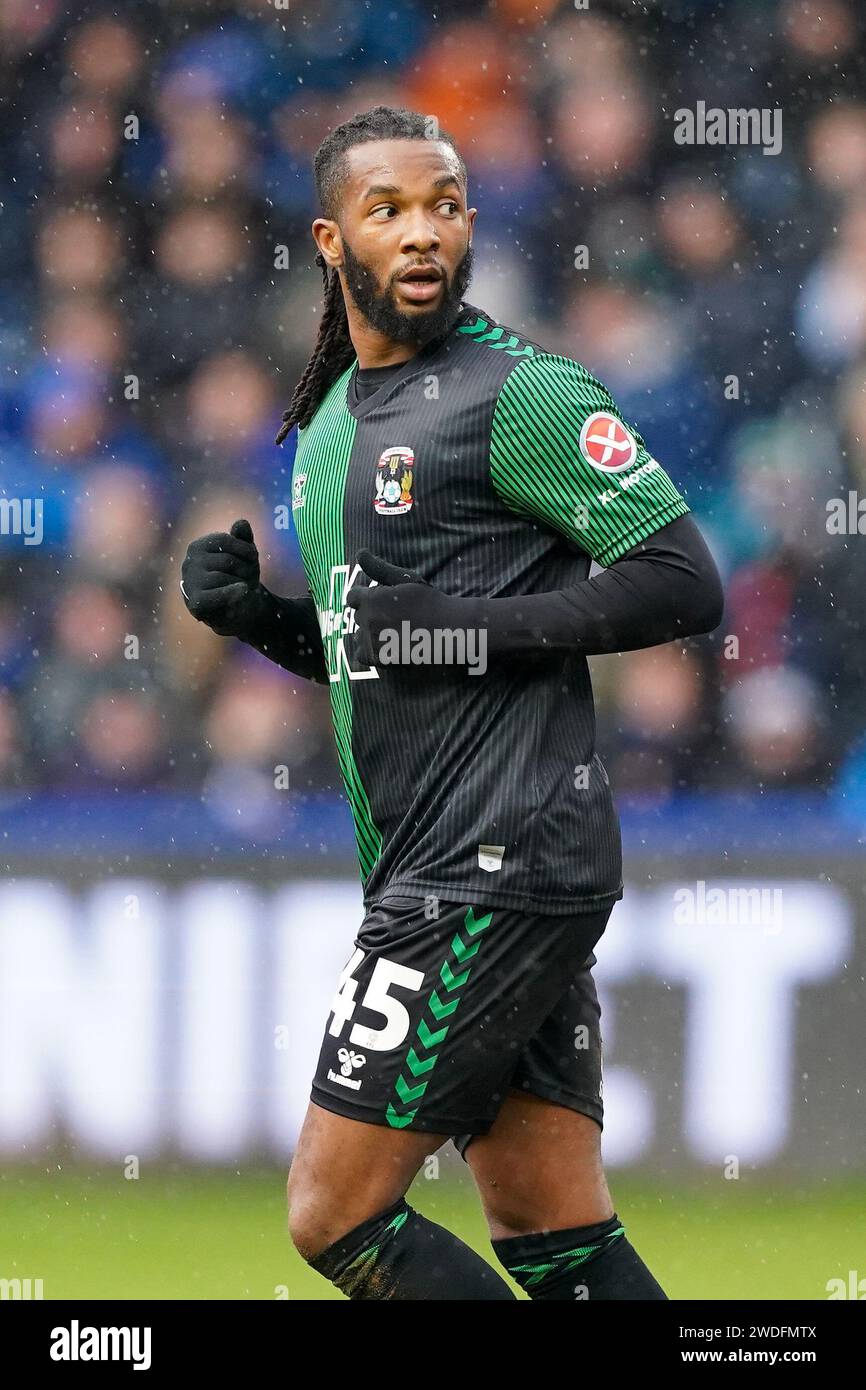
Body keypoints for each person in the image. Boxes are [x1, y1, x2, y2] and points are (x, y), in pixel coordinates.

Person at [180, 105, 724, 1301]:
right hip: (444, 859)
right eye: (387, 211)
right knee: (550, 1225)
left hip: (495, 857)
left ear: (469, 222)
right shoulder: (324, 431)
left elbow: (683, 579)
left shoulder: (516, 393)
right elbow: (380, 652)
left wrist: (469, 623)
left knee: (334, 1214)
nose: (421, 232)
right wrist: (267, 619)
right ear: (332, 241)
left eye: (441, 205)